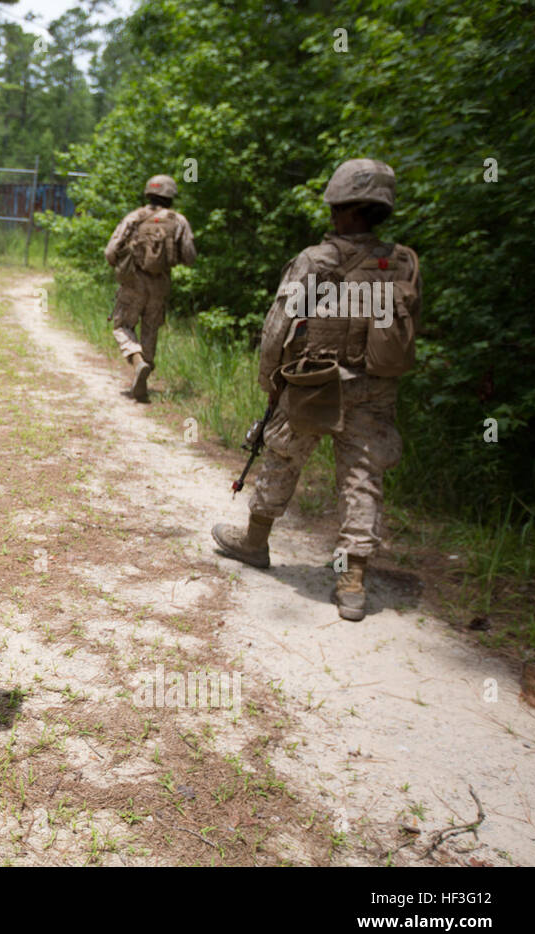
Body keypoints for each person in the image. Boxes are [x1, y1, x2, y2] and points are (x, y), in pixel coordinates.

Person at [211, 158, 422, 621]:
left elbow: (277, 329)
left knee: (283, 456)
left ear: (339, 207)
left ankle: (254, 542)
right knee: (363, 477)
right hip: (374, 387)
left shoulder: (315, 261)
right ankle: (352, 580)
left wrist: (271, 383)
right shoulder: (401, 262)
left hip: (313, 381)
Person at [103, 174, 196, 401]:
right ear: (171, 196)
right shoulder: (178, 220)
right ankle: (144, 372)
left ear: (148, 193)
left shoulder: (135, 217)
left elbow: (110, 252)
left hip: (134, 280)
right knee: (150, 329)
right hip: (160, 283)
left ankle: (137, 360)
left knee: (122, 326)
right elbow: (190, 257)